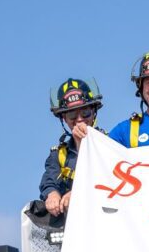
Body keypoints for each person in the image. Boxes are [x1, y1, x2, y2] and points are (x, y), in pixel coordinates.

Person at [39, 77, 104, 218]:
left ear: (94, 112)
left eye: (85, 112)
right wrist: (52, 194)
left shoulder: (112, 143)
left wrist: (78, 192)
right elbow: (48, 181)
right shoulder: (59, 155)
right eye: (72, 114)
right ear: (64, 118)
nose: (79, 119)